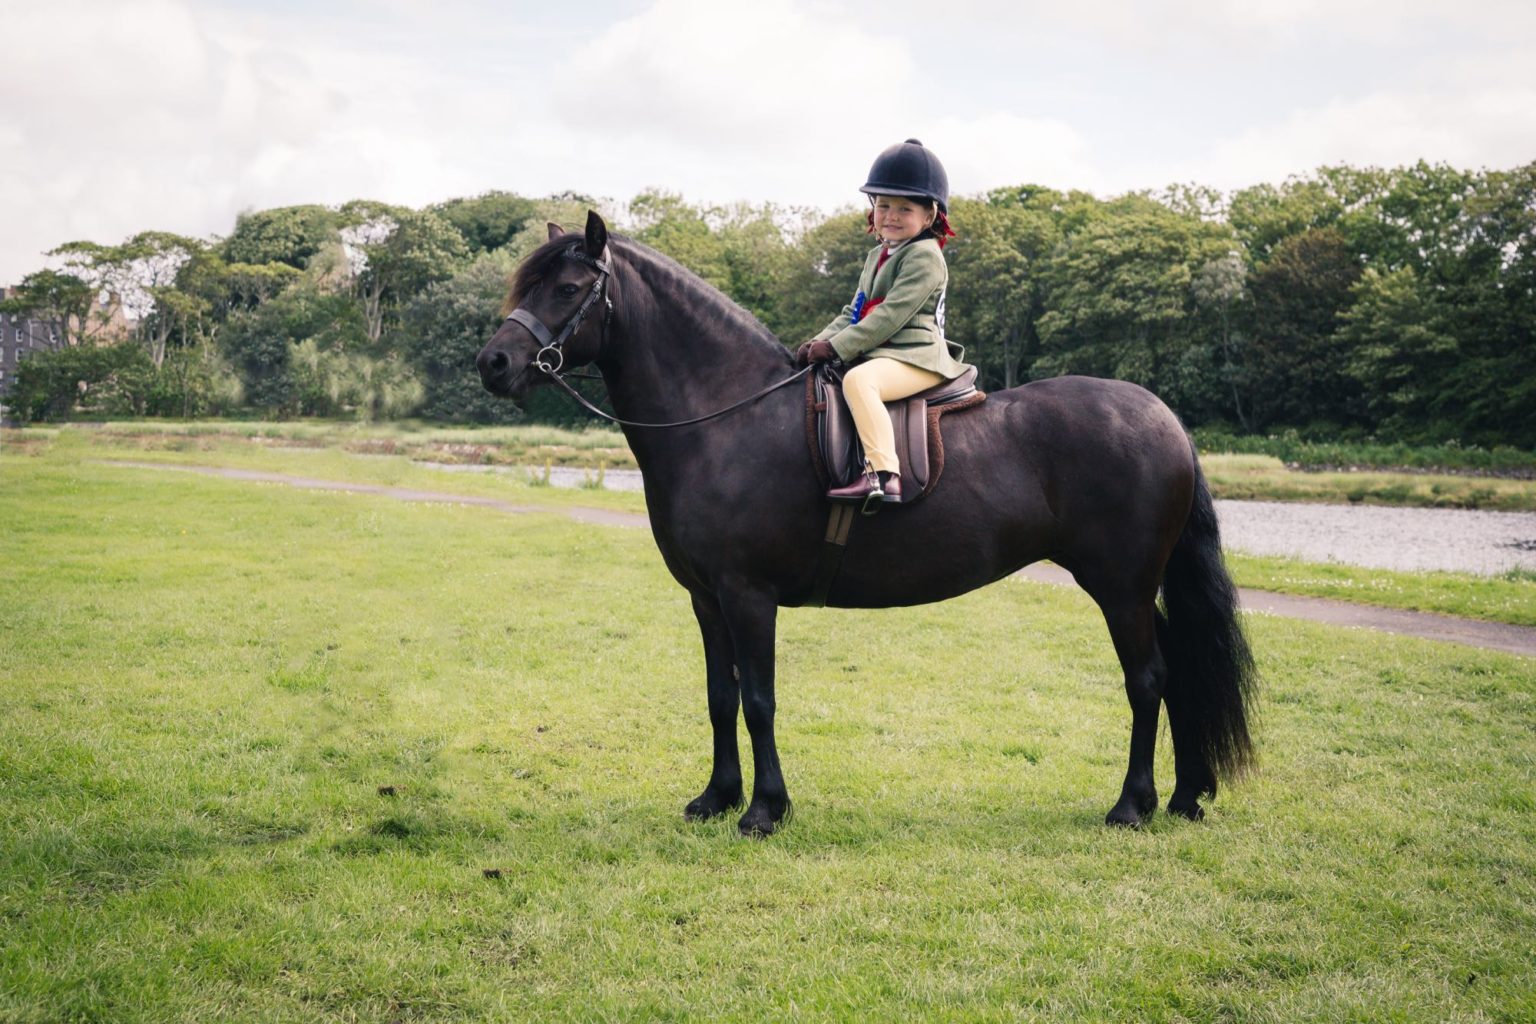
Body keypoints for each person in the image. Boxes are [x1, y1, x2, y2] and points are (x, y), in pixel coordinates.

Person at [796, 138, 972, 507]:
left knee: (861, 381)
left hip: (917, 358)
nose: (890, 215)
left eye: (904, 208)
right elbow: (854, 311)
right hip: (885, 353)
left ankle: (884, 474)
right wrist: (817, 342)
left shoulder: (925, 257)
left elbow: (890, 317)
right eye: (883, 205)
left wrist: (839, 348)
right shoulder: (877, 254)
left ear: (929, 216)